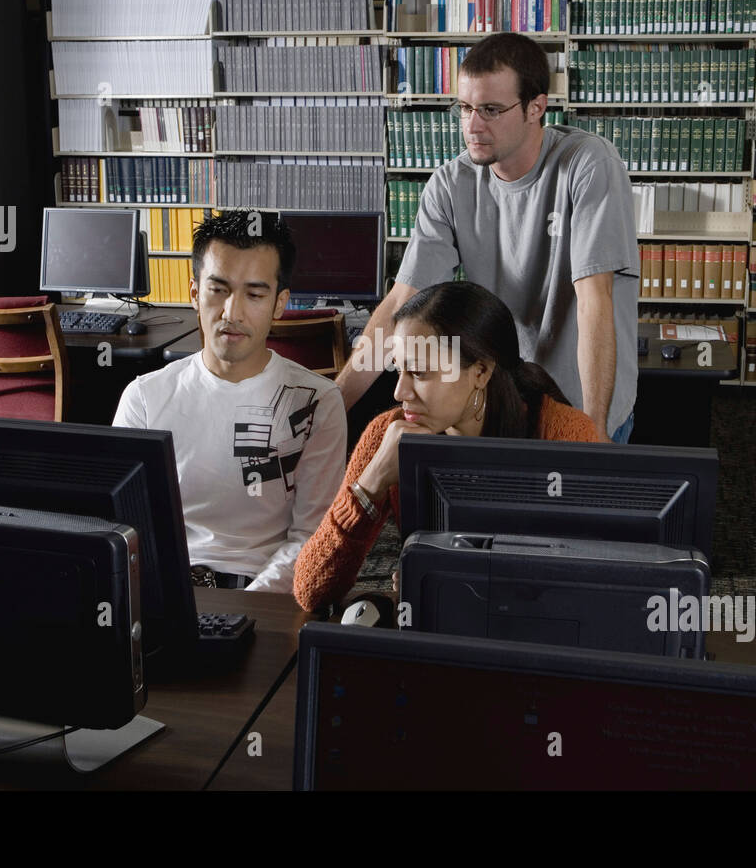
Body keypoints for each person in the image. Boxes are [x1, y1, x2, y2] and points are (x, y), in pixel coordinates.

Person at [337, 31, 640, 444]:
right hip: (509, 401)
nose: (473, 126)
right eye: (465, 108)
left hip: (584, 402)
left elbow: (594, 302)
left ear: (537, 108)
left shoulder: (588, 165)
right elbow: (401, 302)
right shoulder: (449, 184)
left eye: (491, 110)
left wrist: (595, 432)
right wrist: (335, 407)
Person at [292, 281, 599, 612]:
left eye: (420, 373)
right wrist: (372, 482)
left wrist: (452, 577)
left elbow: (589, 588)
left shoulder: (564, 434)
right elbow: (311, 591)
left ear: (480, 371)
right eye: (399, 370)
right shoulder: (389, 433)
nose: (399, 392)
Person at [113, 209, 347, 592]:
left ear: (279, 303)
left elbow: (310, 537)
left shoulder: (317, 402)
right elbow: (127, 528)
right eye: (218, 289)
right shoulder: (144, 398)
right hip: (169, 591)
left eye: (254, 294)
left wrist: (247, 607)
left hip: (265, 590)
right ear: (194, 293)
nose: (231, 312)